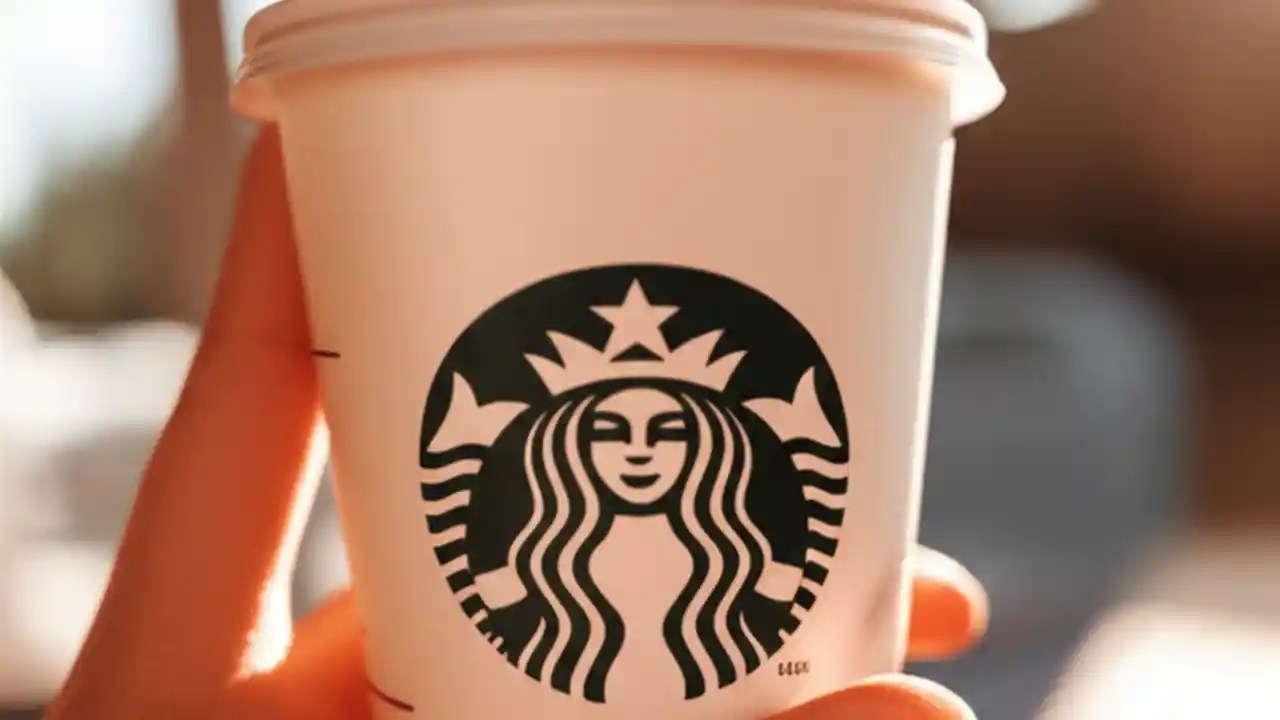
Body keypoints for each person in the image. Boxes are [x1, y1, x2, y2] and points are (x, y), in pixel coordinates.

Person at [44, 130, 987, 720]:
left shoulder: (748, 574)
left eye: (669, 432)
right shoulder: (541, 577)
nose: (641, 454)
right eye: (611, 434)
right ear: (566, 446)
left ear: (713, 443)